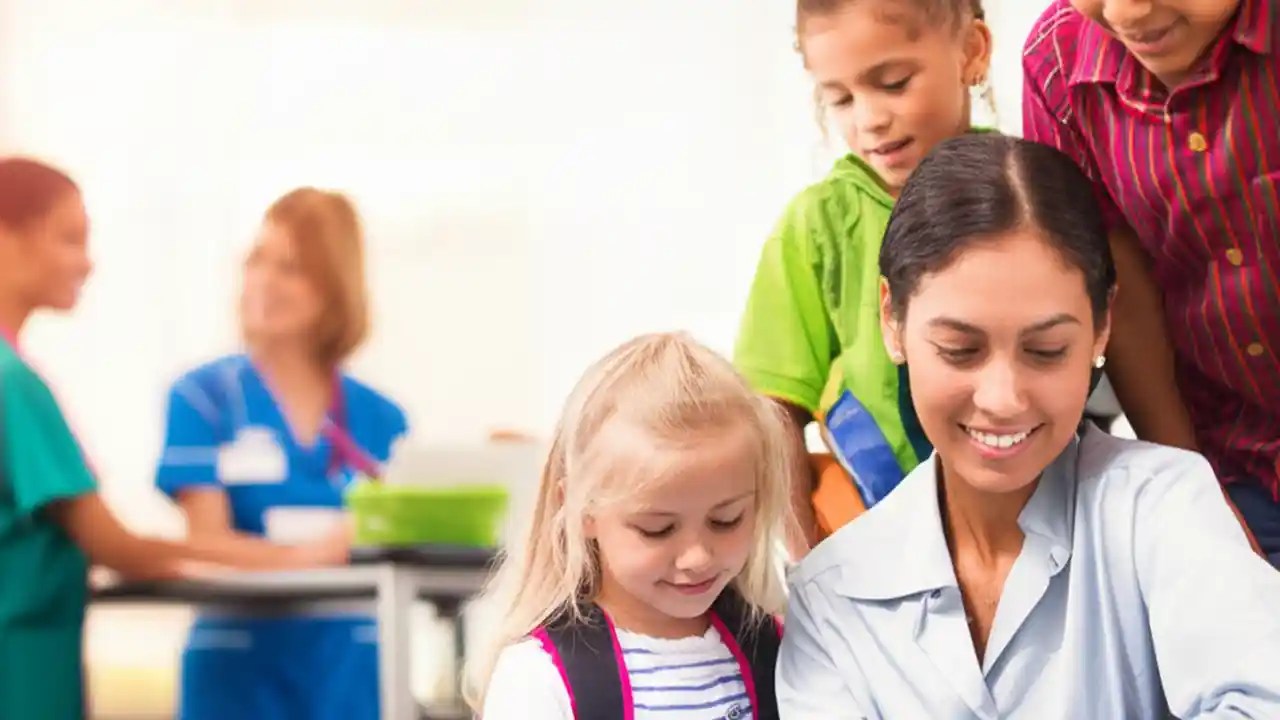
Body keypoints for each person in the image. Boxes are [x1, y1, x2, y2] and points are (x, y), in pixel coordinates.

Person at [777, 135, 1280, 719]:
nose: (1002, 399)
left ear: (1100, 328)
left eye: (1045, 350)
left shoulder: (1163, 508)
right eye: (959, 349)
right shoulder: (831, 597)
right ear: (892, 319)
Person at [1022, 0, 1280, 567]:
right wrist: (1193, 493)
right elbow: (1122, 289)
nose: (1127, 12)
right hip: (1232, 462)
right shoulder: (1059, 65)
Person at [736, 0, 998, 549]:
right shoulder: (818, 226)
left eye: (894, 83)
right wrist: (811, 564)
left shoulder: (1023, 194)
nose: (869, 119)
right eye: (840, 98)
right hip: (876, 534)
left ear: (972, 52)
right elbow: (772, 415)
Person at [0, 157, 243, 720]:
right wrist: (284, 560)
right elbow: (118, 548)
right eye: (68, 239)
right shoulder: (13, 385)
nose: (87, 262)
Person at [154, 187, 409, 720]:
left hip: (349, 664)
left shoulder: (382, 419)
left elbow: (395, 543)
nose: (263, 282)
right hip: (238, 667)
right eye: (256, 261)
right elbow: (203, 543)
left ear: (333, 287)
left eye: (289, 267)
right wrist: (310, 556)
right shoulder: (202, 399)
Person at [467, 332, 792, 720]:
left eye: (725, 521)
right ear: (581, 510)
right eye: (657, 529)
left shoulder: (783, 652)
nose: (697, 557)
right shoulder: (539, 677)